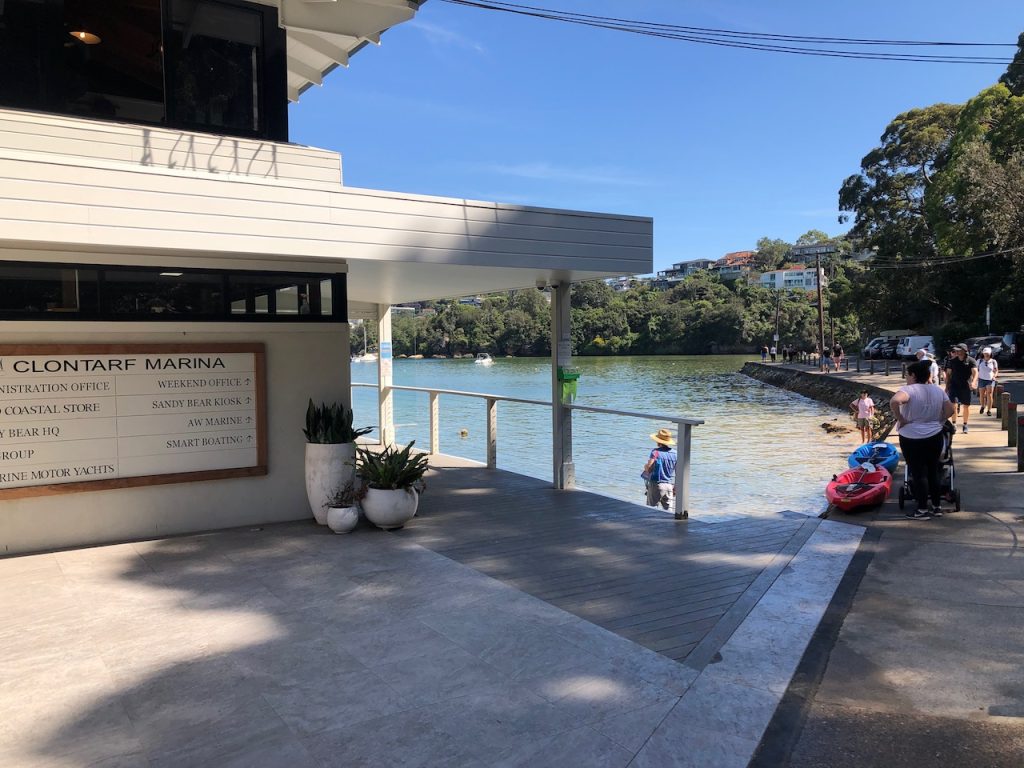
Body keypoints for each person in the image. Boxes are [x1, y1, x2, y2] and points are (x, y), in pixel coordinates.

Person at [891, 359, 955, 519]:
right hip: (934, 435)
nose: (906, 378)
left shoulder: (909, 390)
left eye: (907, 375)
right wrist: (939, 420)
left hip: (911, 436)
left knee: (919, 473)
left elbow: (894, 401)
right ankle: (936, 506)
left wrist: (901, 419)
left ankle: (921, 509)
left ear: (913, 375)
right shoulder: (937, 390)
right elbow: (950, 409)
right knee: (933, 470)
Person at [944, 343, 978, 433]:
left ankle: (965, 424)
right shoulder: (952, 361)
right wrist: (947, 386)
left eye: (959, 350)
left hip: (966, 386)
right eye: (956, 350)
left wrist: (974, 382)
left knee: (966, 406)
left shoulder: (971, 361)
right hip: (954, 385)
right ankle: (954, 424)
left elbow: (975, 372)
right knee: (953, 405)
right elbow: (948, 374)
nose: (957, 352)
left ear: (964, 351)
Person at [642, 428, 678, 511]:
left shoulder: (655, 452)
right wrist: (675, 487)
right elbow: (678, 473)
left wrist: (645, 466)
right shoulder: (675, 454)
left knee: (651, 510)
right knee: (669, 512)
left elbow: (649, 469)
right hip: (669, 485)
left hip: (656, 485)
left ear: (658, 441)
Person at [976, 346, 999, 416]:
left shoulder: (993, 361)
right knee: (982, 394)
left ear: (990, 353)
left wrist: (994, 376)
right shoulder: (979, 361)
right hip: (981, 379)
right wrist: (975, 378)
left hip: (990, 379)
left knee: (989, 394)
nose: (986, 354)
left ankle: (989, 410)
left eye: (988, 353)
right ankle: (982, 406)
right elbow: (976, 370)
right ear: (983, 353)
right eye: (985, 353)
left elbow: (996, 370)